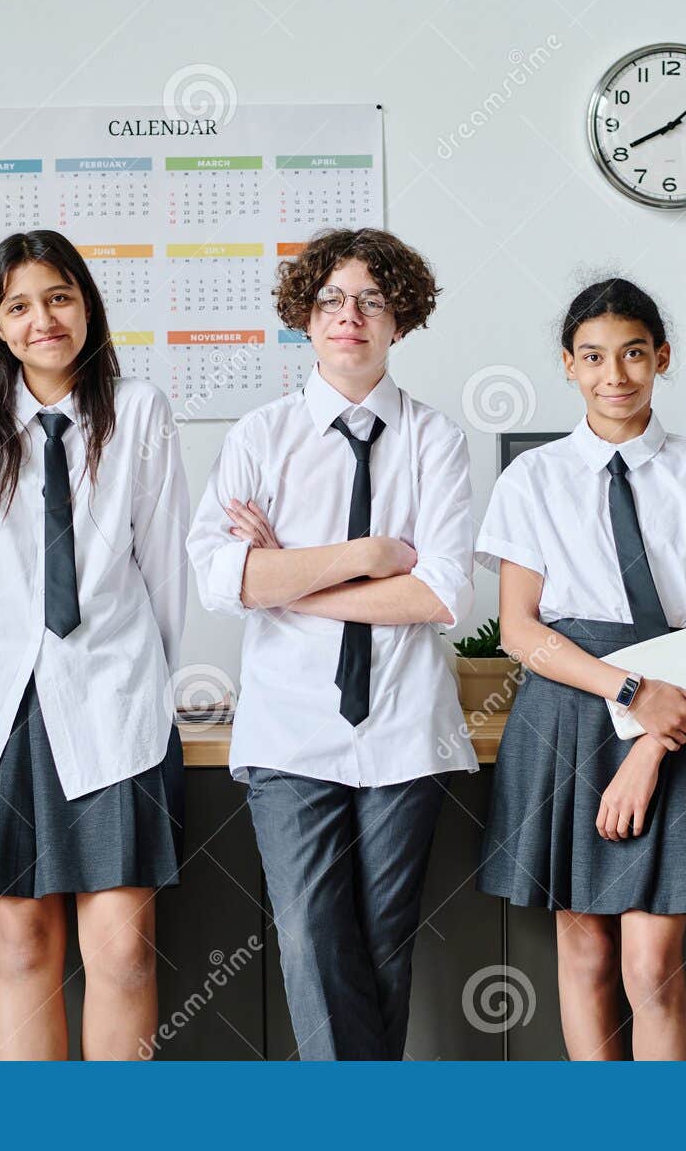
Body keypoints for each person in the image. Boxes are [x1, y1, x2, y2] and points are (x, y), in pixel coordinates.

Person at [186, 227, 476, 1060]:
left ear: (400, 321)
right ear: (305, 320)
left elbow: (437, 593)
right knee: (312, 942)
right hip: (290, 732)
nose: (350, 315)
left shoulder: (435, 440)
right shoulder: (260, 436)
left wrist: (287, 575)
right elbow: (222, 580)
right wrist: (366, 558)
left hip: (403, 730)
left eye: (372, 301)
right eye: (331, 300)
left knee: (384, 946)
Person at [475, 277, 686, 1060]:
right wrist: (629, 690)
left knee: (652, 966)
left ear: (662, 359)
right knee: (585, 951)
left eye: (634, 354)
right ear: (568, 365)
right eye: (595, 357)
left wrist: (648, 743)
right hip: (570, 714)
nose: (616, 375)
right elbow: (516, 627)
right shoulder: (531, 479)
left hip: (676, 724)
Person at [0, 230, 189, 1060]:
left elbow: (166, 566)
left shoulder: (137, 409)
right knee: (23, 947)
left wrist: (147, 683)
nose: (43, 320)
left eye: (60, 298)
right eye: (20, 305)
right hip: (0, 713)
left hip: (114, 705)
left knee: (123, 955)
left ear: (88, 306)